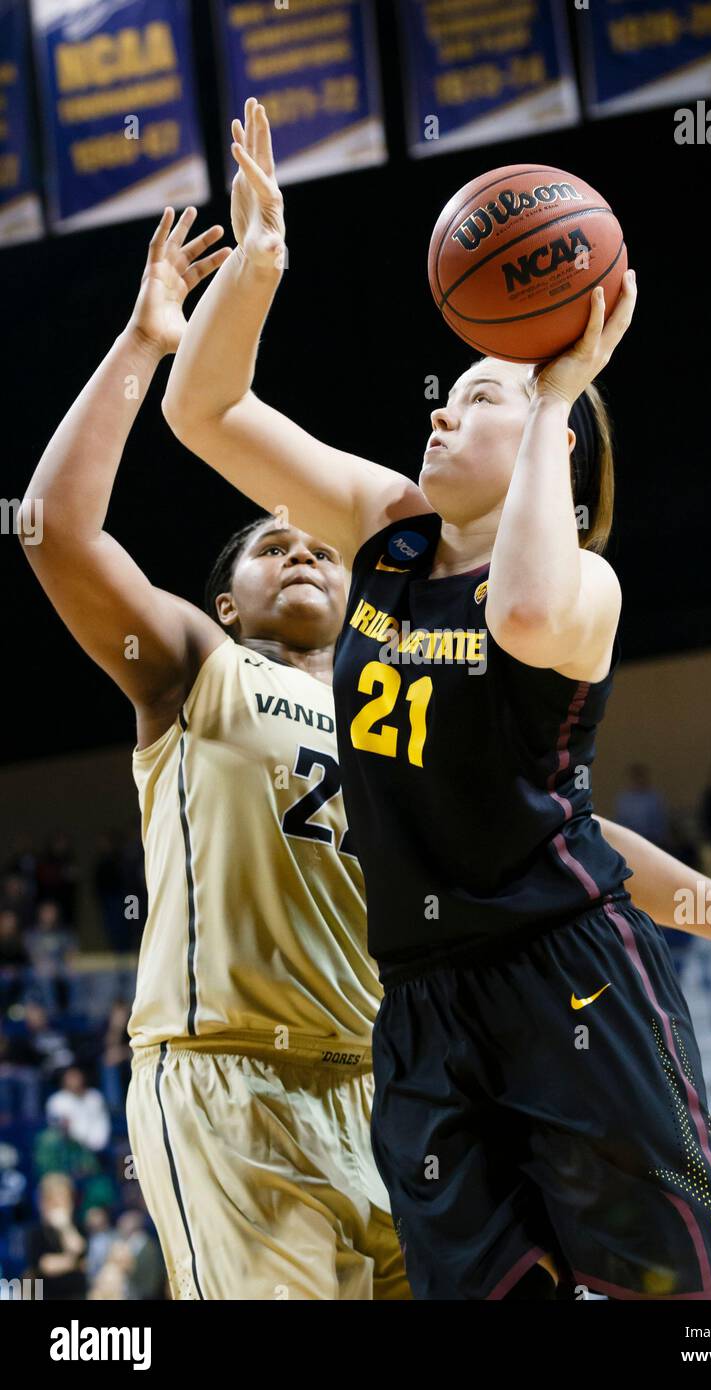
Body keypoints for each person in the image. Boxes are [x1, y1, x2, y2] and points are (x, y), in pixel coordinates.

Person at [161, 98, 711, 1300]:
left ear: (553, 440)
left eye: (475, 398)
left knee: (678, 1302)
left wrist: (548, 387)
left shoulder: (580, 584)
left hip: (565, 977)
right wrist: (260, 266)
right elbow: (201, 410)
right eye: (457, 394)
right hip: (419, 1002)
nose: (439, 408)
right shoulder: (386, 537)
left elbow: (523, 638)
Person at [19, 211, 407, 1301]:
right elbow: (55, 532)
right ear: (225, 602)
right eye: (270, 544)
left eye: (321, 548)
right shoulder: (196, 665)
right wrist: (144, 342)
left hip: (388, 1089)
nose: (301, 548)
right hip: (231, 1078)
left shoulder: (396, 709)